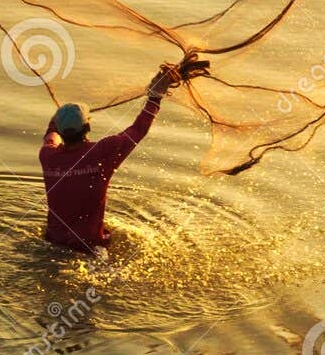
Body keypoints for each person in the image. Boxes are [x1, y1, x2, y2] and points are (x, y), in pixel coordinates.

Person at [38, 54, 210, 252]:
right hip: (90, 249)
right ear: (88, 127)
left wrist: (59, 118)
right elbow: (138, 129)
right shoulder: (104, 152)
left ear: (61, 130)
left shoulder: (47, 156)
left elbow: (51, 135)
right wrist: (155, 96)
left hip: (52, 243)